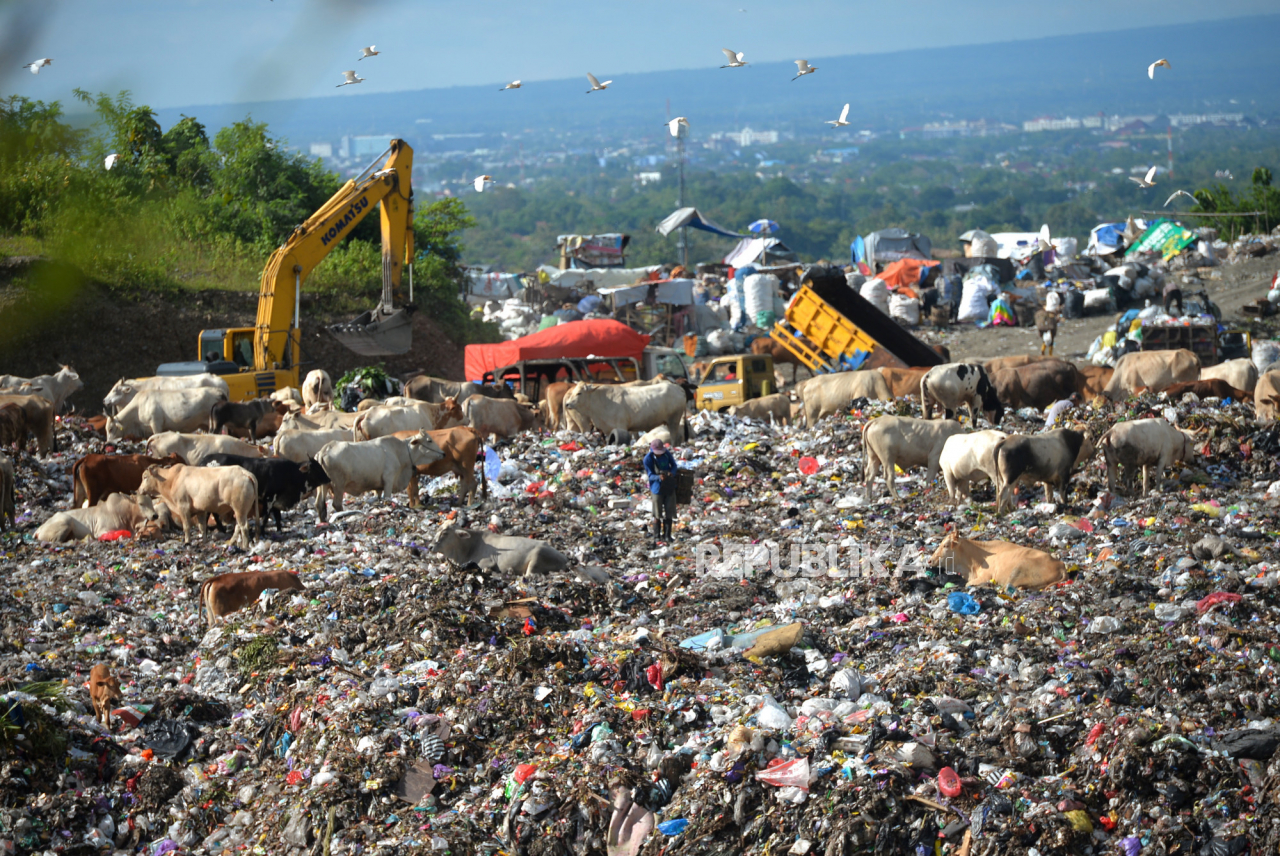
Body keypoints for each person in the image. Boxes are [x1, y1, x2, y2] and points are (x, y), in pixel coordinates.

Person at [643, 439, 678, 543]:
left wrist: (672, 473)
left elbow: (674, 465)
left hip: (669, 486)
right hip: (656, 488)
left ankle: (667, 536)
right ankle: (657, 536)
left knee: (669, 511)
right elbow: (650, 475)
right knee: (657, 513)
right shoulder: (648, 459)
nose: (659, 455)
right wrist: (659, 477)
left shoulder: (667, 454)